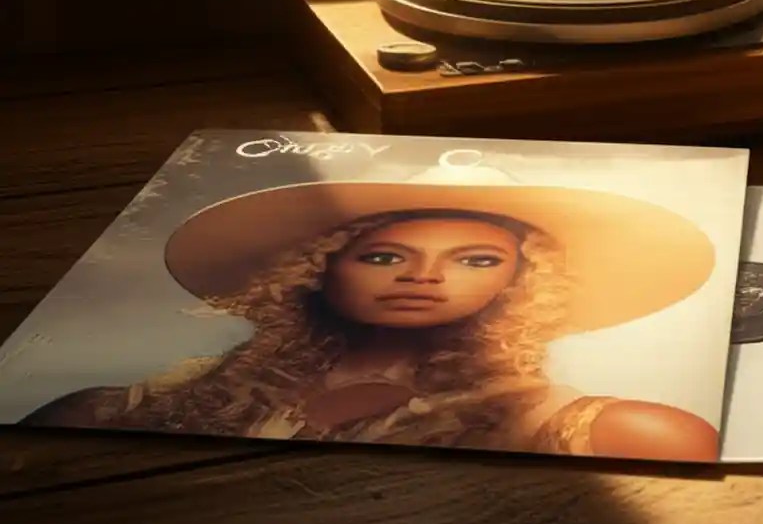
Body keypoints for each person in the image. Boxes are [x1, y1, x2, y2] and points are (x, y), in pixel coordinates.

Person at [22, 181, 723, 462]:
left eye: (475, 259)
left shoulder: (610, 434)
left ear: (522, 281)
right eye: (385, 254)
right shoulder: (110, 413)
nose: (424, 276)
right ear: (319, 268)